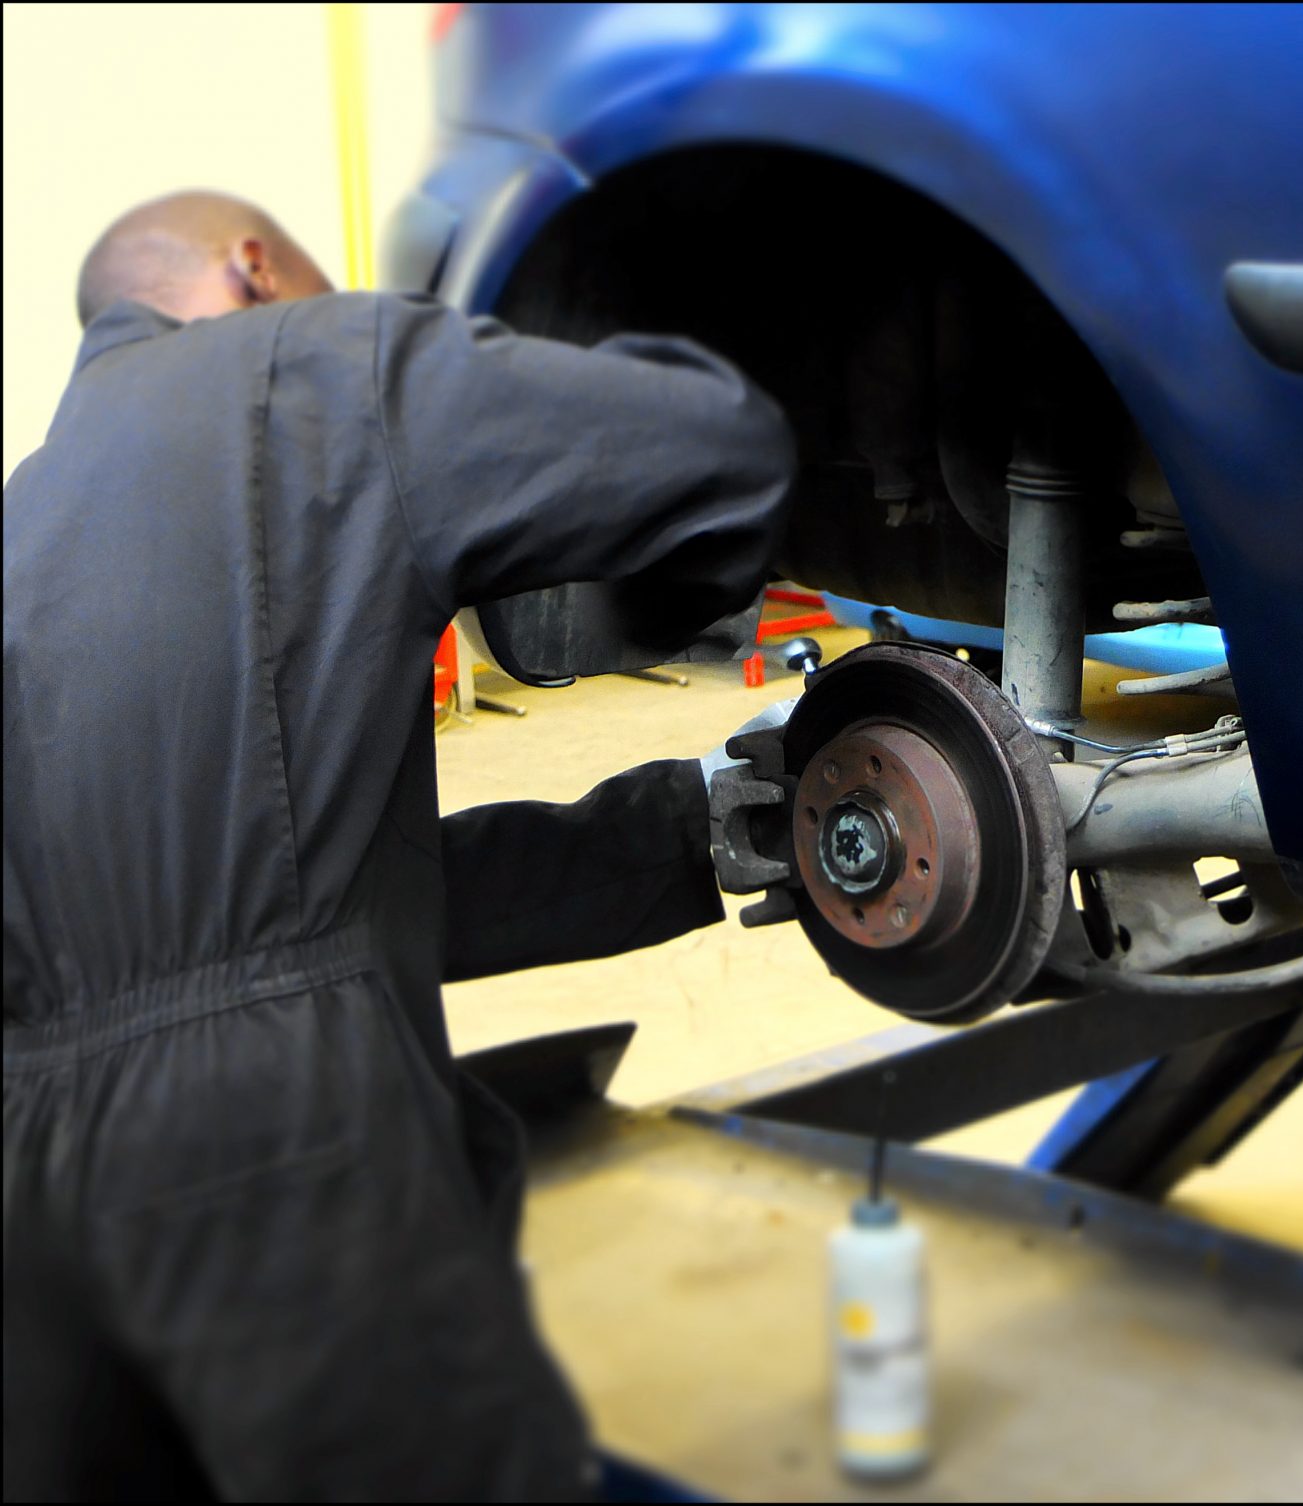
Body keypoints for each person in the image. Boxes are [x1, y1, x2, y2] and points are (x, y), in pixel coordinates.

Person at [3, 191, 797, 1501]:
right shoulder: (311, 370)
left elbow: (303, 905)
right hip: (273, 1173)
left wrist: (684, 831)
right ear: (252, 269)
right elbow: (722, 448)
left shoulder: (21, 533)